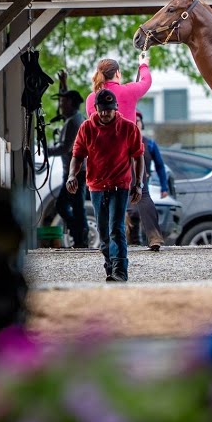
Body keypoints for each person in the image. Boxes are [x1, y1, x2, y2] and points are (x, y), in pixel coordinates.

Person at [66, 89, 144, 282]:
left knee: (116, 228)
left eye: (108, 110)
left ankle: (120, 270)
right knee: (103, 230)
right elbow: (77, 155)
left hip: (120, 185)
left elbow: (138, 157)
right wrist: (71, 176)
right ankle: (110, 266)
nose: (104, 114)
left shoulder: (128, 128)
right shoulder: (86, 128)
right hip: (97, 186)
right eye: (101, 110)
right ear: (96, 109)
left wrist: (138, 183)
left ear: (116, 108)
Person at [45, 85, 88, 250]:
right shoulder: (75, 118)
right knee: (74, 206)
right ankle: (79, 237)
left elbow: (65, 148)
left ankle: (79, 236)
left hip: (76, 172)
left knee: (66, 205)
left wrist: (45, 151)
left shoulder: (74, 122)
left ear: (71, 103)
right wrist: (63, 83)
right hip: (74, 171)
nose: (61, 105)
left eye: (63, 101)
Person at [127, 110, 171, 250]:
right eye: (132, 120)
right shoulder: (122, 142)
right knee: (131, 213)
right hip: (123, 181)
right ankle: (133, 242)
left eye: (137, 121)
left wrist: (164, 187)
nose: (135, 123)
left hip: (142, 183)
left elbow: (159, 166)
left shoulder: (150, 144)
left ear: (142, 124)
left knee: (142, 207)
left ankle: (153, 239)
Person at [84, 52, 152, 121]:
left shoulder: (90, 98)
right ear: (117, 73)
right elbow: (146, 81)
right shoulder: (129, 91)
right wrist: (143, 65)